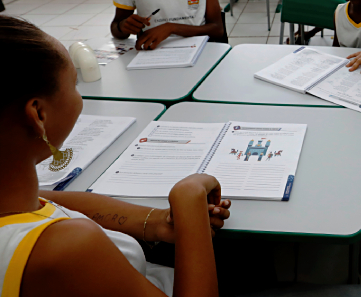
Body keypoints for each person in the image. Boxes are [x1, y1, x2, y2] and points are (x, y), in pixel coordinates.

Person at [0, 15, 230, 297]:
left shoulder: (12, 198)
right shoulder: (67, 247)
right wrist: (189, 197)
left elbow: (51, 199)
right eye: (74, 84)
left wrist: (157, 221)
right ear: (38, 114)